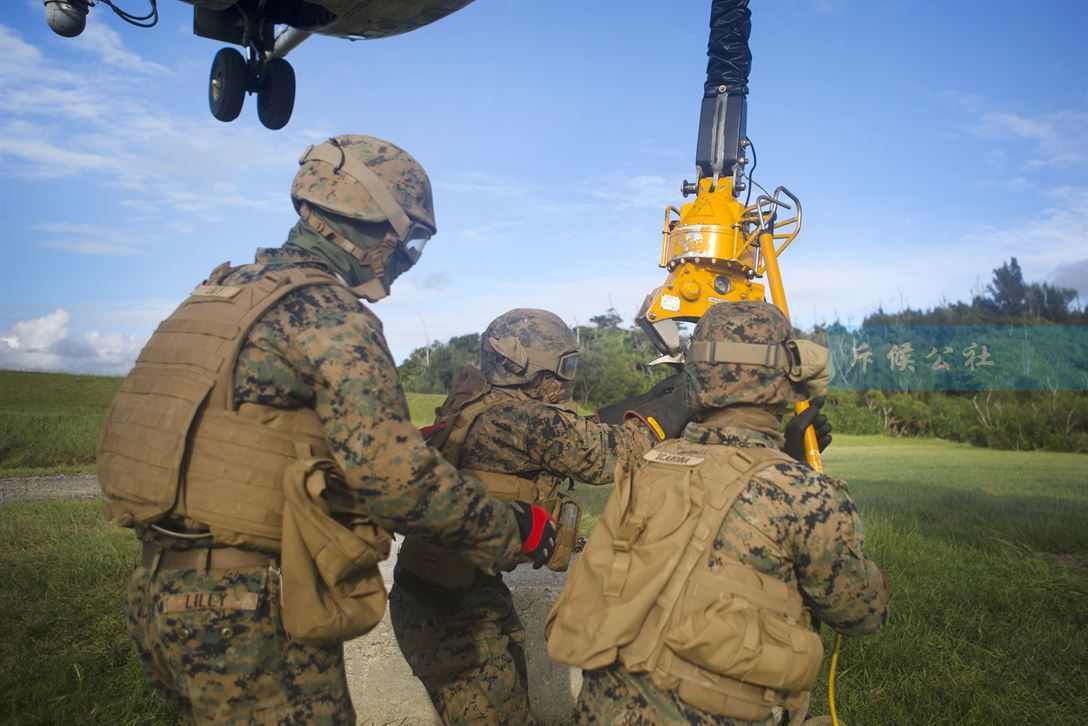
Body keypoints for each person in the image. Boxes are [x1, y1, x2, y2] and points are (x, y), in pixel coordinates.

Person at [96, 135, 558, 724]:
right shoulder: (328, 313)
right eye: (409, 241)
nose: (402, 259)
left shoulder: (219, 296)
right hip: (250, 608)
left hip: (158, 592)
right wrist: (514, 528)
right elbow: (398, 484)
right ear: (378, 224)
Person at [547, 300, 890, 726]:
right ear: (782, 378)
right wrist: (795, 468)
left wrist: (783, 460)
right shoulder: (803, 493)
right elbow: (861, 613)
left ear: (696, 374)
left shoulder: (649, 464)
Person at [389, 307, 698, 725]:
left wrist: (659, 394)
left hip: (458, 594)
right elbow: (613, 454)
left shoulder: (489, 405)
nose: (568, 379)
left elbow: (582, 428)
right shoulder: (519, 419)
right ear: (528, 370)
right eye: (563, 367)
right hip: (450, 616)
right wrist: (687, 397)